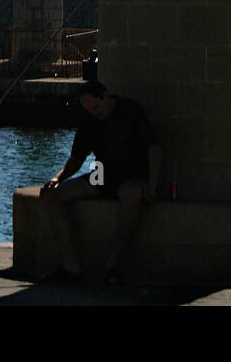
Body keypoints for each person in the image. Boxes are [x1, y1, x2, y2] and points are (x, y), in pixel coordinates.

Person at [40, 80, 161, 284]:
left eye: (95, 107)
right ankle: (70, 265)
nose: (93, 112)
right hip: (102, 175)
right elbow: (76, 160)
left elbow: (154, 148)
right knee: (50, 195)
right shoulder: (90, 121)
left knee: (131, 195)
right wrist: (57, 178)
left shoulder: (130, 111)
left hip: (132, 176)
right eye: (88, 109)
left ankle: (111, 265)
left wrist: (152, 185)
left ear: (105, 96)